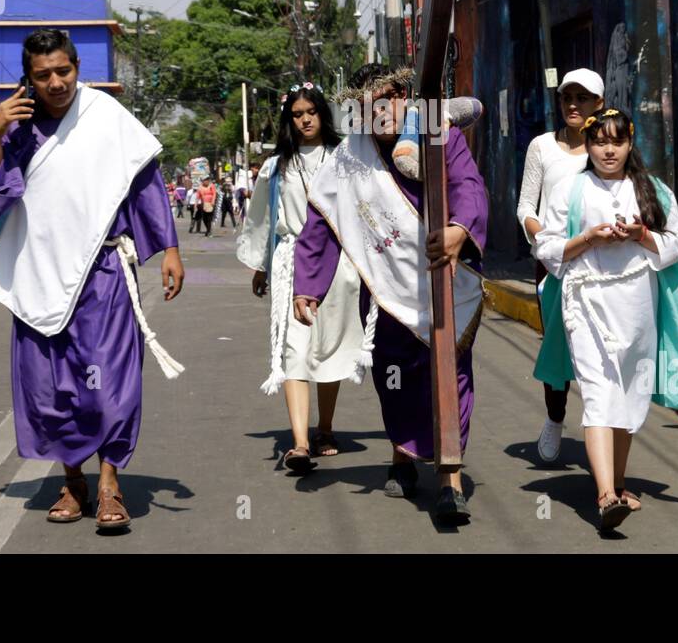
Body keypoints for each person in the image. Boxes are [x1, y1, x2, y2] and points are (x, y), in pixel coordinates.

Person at [0, 28, 186, 531]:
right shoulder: (16, 128)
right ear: (28, 79)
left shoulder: (106, 117)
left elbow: (145, 180)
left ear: (77, 67)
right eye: (43, 75)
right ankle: (73, 480)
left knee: (110, 385)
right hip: (39, 273)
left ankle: (109, 484)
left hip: (105, 274)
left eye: (63, 70)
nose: (56, 82)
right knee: (51, 390)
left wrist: (170, 248)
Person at [294, 64, 489, 525]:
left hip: (446, 277)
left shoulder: (440, 134)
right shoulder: (348, 157)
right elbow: (321, 220)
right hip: (388, 291)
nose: (377, 112)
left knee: (450, 375)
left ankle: (450, 480)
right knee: (395, 374)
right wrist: (308, 285)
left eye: (384, 100)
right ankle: (403, 455)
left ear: (404, 96)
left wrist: (461, 228)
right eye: (365, 105)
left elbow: (468, 186)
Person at [535, 108, 678, 535]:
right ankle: (605, 496)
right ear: (587, 145)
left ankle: (619, 484)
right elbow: (547, 248)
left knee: (628, 393)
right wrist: (589, 238)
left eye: (617, 141)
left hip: (638, 304)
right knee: (598, 393)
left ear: (629, 144)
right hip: (584, 302)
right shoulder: (571, 189)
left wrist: (641, 234)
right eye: (600, 142)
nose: (609, 150)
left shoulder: (652, 190)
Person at [236, 83, 365, 473]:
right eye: (297, 114)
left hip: (339, 267)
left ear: (323, 114)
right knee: (293, 346)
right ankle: (300, 443)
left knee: (328, 346)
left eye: (311, 111)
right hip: (290, 263)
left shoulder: (346, 160)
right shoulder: (277, 167)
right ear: (289, 120)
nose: (305, 119)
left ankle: (325, 428)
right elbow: (261, 217)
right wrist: (261, 265)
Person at [517, 68, 606, 464]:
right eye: (567, 96)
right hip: (554, 267)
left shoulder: (607, 147)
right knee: (558, 347)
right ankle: (555, 418)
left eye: (583, 97)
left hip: (603, 265)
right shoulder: (541, 147)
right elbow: (525, 207)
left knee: (601, 350)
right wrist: (544, 243)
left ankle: (600, 432)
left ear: (598, 105)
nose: (573, 104)